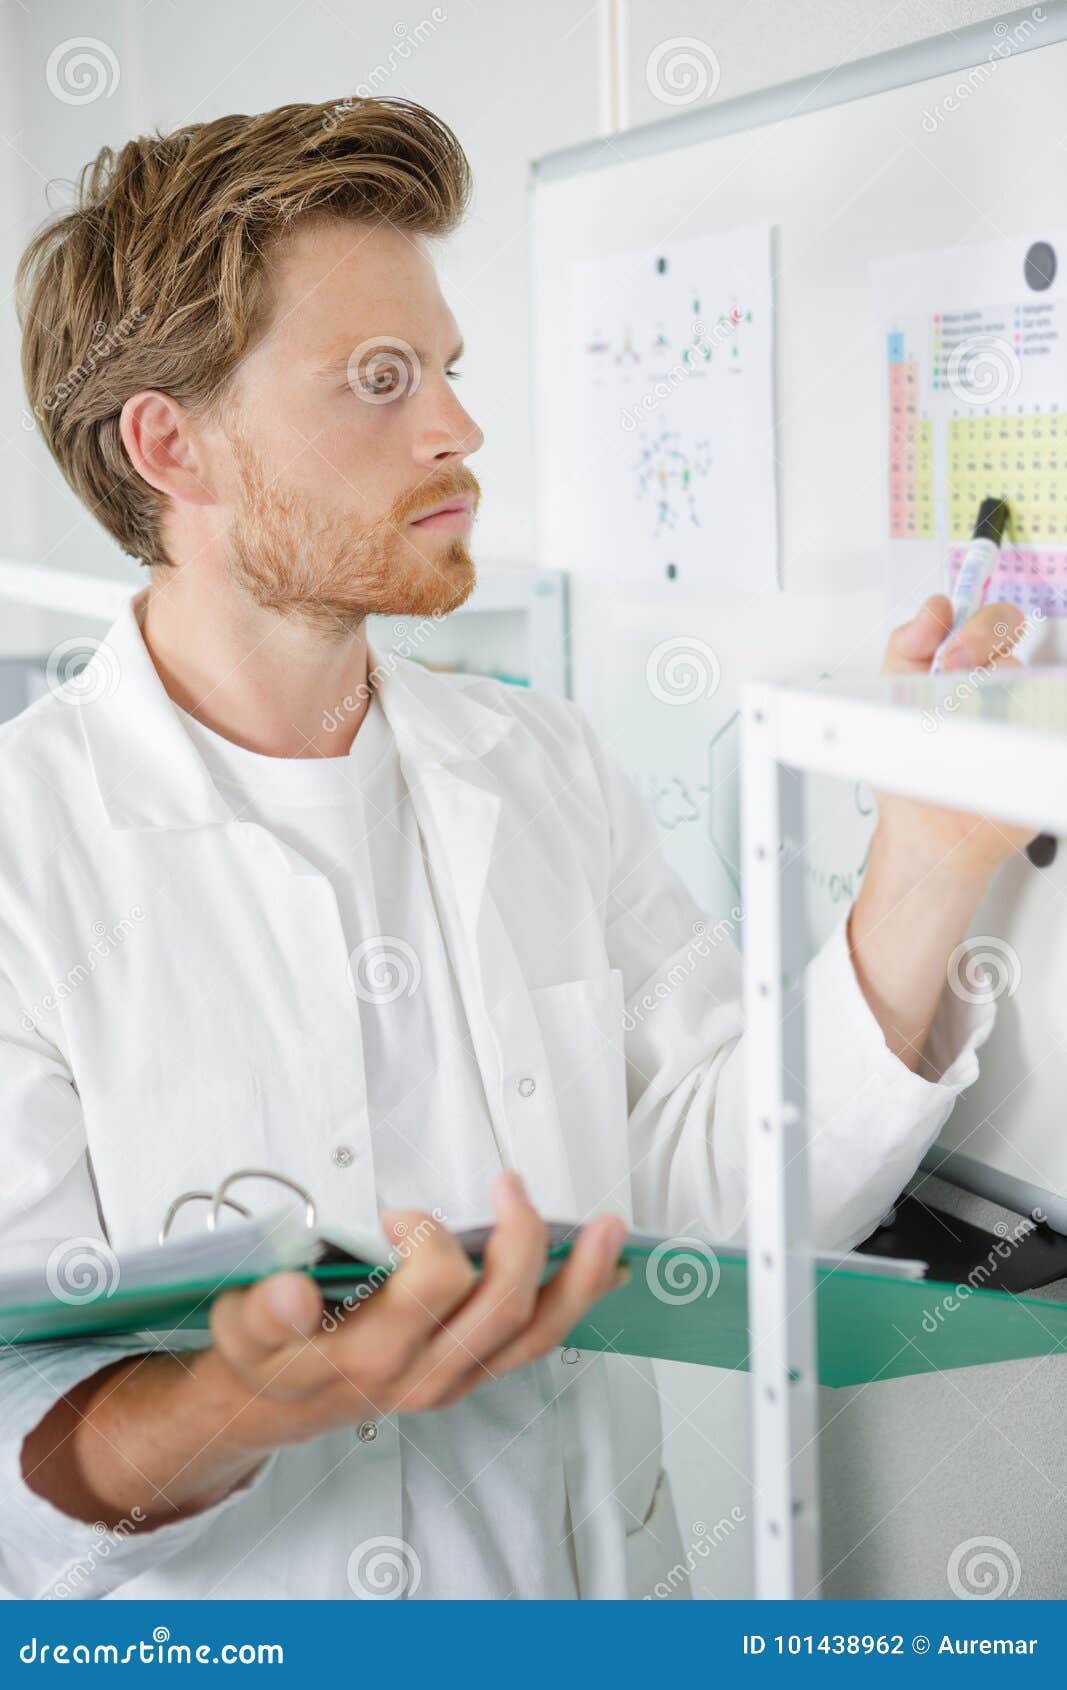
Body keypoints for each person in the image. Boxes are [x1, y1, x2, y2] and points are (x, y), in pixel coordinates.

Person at [1, 97, 1028, 1601]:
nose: (458, 428)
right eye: (377, 378)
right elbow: (23, 1451)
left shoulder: (540, 764)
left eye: (447, 370)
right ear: (172, 445)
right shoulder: (27, 853)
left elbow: (704, 1217)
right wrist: (252, 1399)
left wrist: (925, 864)